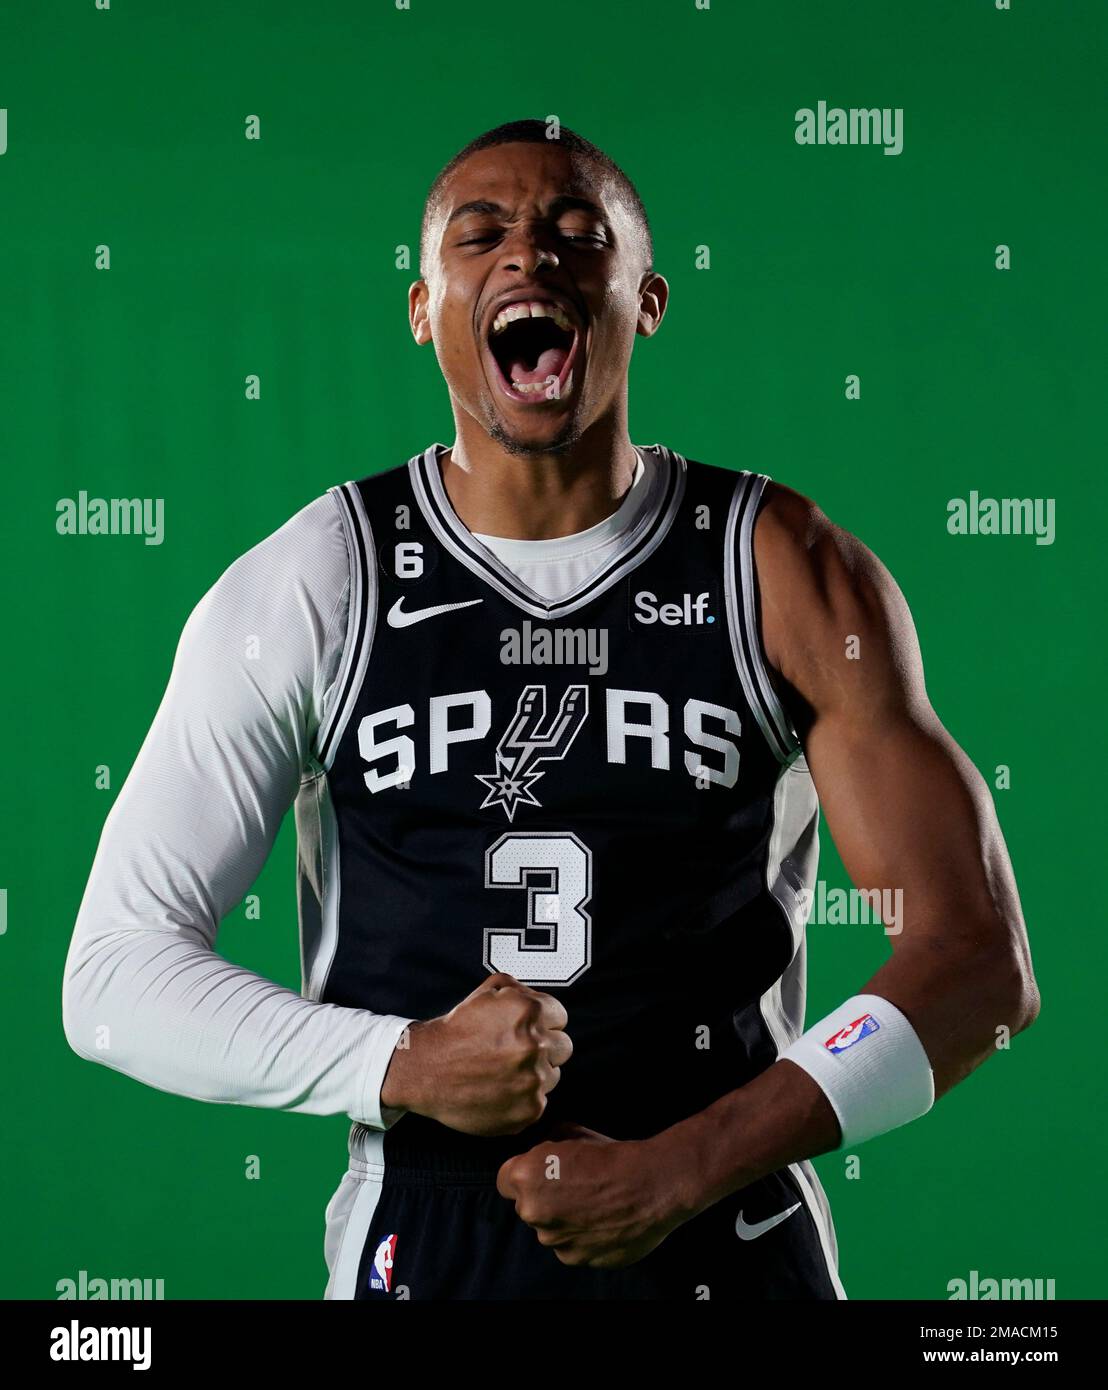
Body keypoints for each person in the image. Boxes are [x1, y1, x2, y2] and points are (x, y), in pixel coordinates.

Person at [63, 119, 1039, 1301]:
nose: (531, 257)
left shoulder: (781, 568)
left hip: (731, 1228)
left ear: (647, 300)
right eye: (482, 236)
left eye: (579, 233)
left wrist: (684, 1166)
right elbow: (112, 976)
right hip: (427, 1235)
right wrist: (401, 1060)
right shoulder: (318, 577)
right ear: (425, 309)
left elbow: (977, 962)